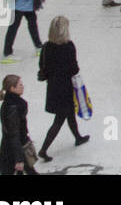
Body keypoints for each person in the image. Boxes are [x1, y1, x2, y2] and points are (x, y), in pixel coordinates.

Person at [35, 16, 89, 160]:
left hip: (53, 87)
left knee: (69, 113)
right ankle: (43, 149)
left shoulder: (46, 47)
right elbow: (74, 68)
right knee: (59, 120)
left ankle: (78, 137)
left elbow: (42, 67)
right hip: (66, 87)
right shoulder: (69, 46)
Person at [0, 74, 37, 175]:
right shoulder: (14, 107)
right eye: (20, 85)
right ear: (12, 88)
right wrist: (18, 159)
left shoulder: (8, 103)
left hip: (11, 147)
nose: (22, 86)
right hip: (15, 150)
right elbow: (14, 133)